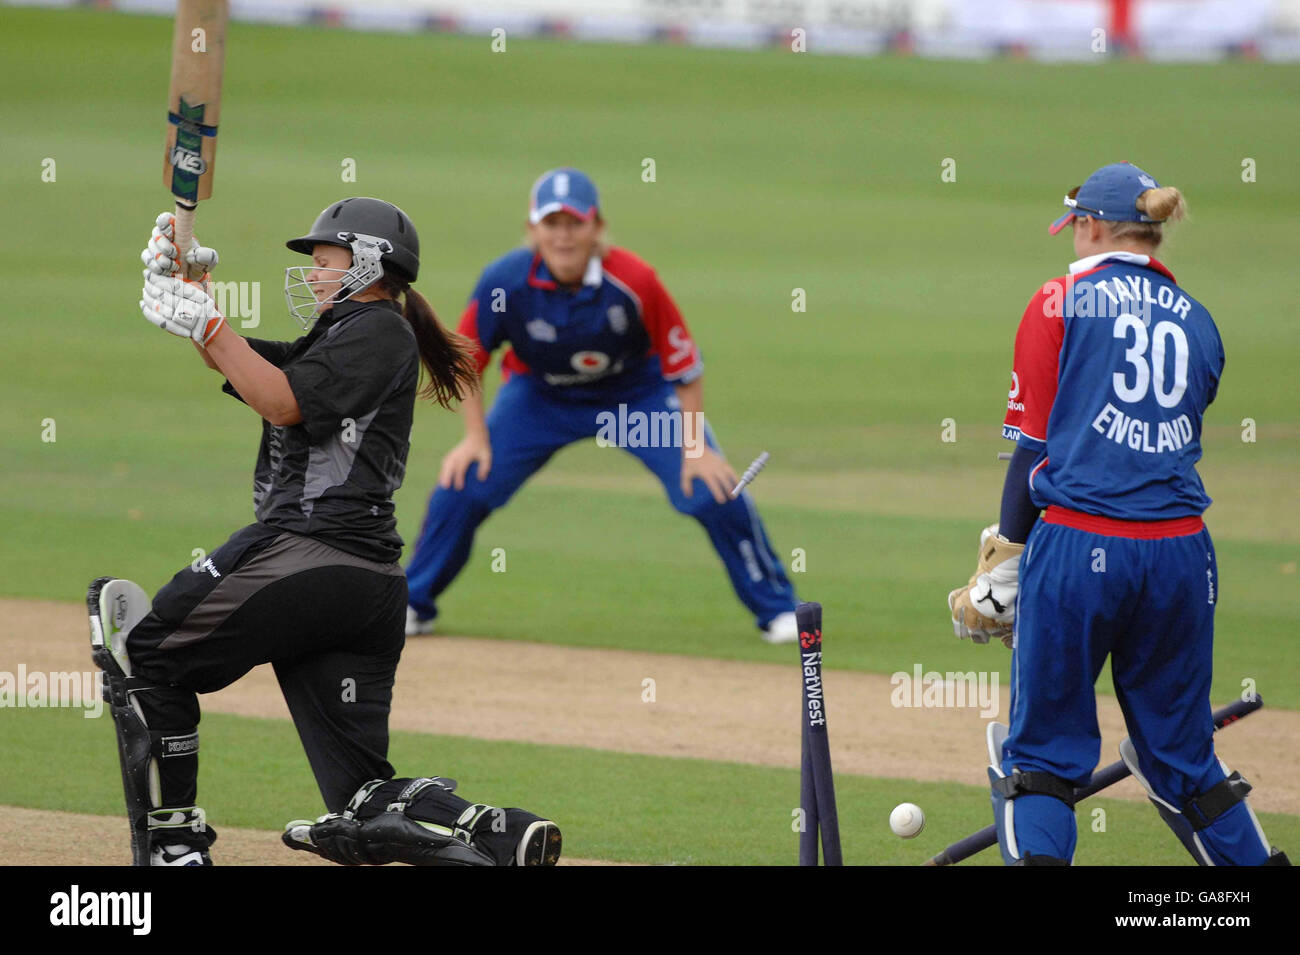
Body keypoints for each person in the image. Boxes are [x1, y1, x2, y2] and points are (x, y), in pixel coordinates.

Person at [87, 198, 562, 866]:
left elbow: (281, 399)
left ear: (368, 261)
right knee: (361, 791)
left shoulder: (376, 330)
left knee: (146, 658)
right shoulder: (351, 334)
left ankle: (174, 849)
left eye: (324, 258)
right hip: (362, 592)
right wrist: (194, 298)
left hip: (305, 556)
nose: (312, 272)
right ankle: (493, 831)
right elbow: (252, 372)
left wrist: (211, 323)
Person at [947, 162, 1289, 866]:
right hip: (1181, 553)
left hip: (1079, 545)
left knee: (1041, 760)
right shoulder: (1200, 320)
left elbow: (1036, 446)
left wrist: (1006, 561)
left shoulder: (1058, 301)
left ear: (1090, 226)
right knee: (1185, 760)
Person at [404, 168, 799, 643]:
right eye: (552, 224)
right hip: (540, 398)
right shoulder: (504, 282)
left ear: (597, 227)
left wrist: (695, 448)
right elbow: (467, 360)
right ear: (533, 229)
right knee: (463, 483)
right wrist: (474, 437)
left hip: (634, 400)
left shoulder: (636, 279)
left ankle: (778, 611)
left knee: (713, 488)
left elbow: (685, 368)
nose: (564, 236)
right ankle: (412, 603)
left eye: (575, 223)